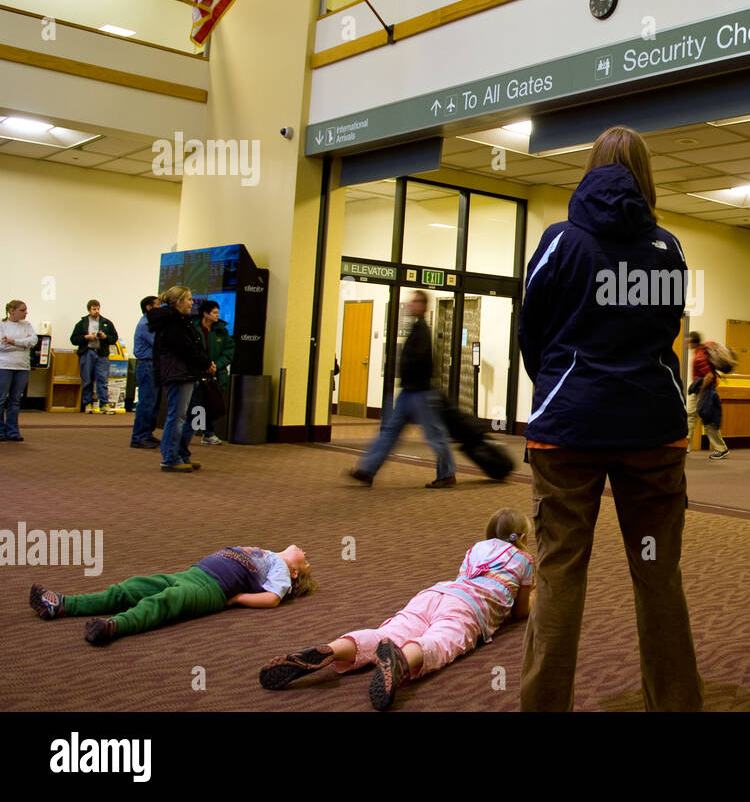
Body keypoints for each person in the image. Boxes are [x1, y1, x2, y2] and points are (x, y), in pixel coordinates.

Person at [517, 124, 702, 712]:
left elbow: (533, 336)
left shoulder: (559, 241)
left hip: (568, 433)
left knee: (560, 576)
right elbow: (665, 331)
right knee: (657, 578)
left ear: (591, 169)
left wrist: (559, 389)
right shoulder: (666, 248)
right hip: (652, 430)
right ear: (645, 176)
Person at [259, 508, 533, 711]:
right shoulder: (525, 558)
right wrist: (534, 598)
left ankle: (333, 649)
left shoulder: (476, 548)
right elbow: (520, 611)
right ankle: (401, 659)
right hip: (470, 608)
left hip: (436, 593)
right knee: (439, 640)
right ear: (522, 536)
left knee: (388, 631)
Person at [28, 544, 312, 646]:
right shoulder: (269, 554)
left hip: (212, 588)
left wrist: (237, 599)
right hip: (192, 574)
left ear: (296, 573)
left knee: (162, 604)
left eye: (306, 562)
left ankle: (114, 626)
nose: (306, 556)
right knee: (131, 587)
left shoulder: (282, 570)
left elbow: (273, 598)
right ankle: (63, 605)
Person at [346, 290, 456, 489]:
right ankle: (367, 470)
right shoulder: (417, 329)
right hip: (408, 392)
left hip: (420, 394)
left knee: (434, 436)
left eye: (415, 302)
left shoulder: (422, 331)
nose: (411, 305)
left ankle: (447, 473)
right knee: (389, 432)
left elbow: (419, 362)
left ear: (423, 306)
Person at [148, 287, 215, 473]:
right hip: (179, 374)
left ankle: (181, 453)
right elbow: (185, 348)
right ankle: (170, 457)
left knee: (195, 414)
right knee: (177, 417)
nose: (192, 303)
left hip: (188, 373)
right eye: (189, 299)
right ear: (178, 302)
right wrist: (205, 363)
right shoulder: (172, 323)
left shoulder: (180, 321)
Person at [685, 332, 730, 460]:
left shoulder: (699, 356)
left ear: (693, 342)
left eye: (688, 341)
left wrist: (701, 390)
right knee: (690, 416)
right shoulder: (701, 350)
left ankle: (721, 449)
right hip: (698, 390)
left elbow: (709, 376)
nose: (686, 343)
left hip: (704, 390)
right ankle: (686, 446)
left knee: (708, 419)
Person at [196, 299, 234, 446]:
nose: (217, 315)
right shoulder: (194, 328)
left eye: (218, 312)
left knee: (212, 404)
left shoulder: (221, 330)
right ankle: (195, 431)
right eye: (214, 312)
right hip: (198, 372)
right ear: (205, 313)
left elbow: (228, 351)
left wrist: (215, 365)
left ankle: (208, 432)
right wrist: (204, 364)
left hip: (215, 373)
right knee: (197, 404)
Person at [0, 299, 38, 442]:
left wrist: (13, 341)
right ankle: (0, 431)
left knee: (15, 400)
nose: (26, 313)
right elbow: (1, 345)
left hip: (22, 367)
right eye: (22, 310)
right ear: (11, 311)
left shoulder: (27, 325)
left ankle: (13, 431)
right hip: (4, 366)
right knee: (1, 399)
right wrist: (23, 344)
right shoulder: (2, 325)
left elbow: (33, 341)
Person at [71, 299, 117, 414]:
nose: (96, 311)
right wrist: (86, 337)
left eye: (98, 309)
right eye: (94, 309)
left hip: (101, 353)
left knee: (102, 379)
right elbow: (73, 339)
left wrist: (105, 337)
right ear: (89, 310)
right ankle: (87, 403)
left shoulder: (106, 322)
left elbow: (114, 338)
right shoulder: (82, 323)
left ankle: (104, 404)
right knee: (87, 379)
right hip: (87, 352)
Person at [130, 296, 161, 449]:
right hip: (147, 364)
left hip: (153, 365)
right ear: (149, 307)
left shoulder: (151, 323)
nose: (161, 307)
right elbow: (158, 343)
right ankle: (139, 437)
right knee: (147, 402)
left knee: (153, 402)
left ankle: (147, 434)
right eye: (158, 304)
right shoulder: (146, 324)